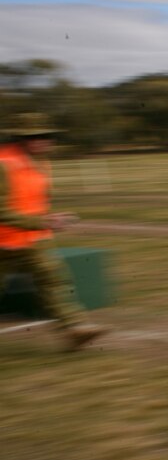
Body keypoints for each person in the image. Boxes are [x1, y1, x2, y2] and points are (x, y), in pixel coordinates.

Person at [0, 113, 109, 351]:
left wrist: (51, 218)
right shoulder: (2, 163)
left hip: (33, 239)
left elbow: (34, 202)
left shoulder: (42, 163)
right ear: (21, 138)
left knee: (54, 281)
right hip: (4, 241)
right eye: (38, 136)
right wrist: (43, 222)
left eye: (48, 136)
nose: (46, 141)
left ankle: (75, 329)